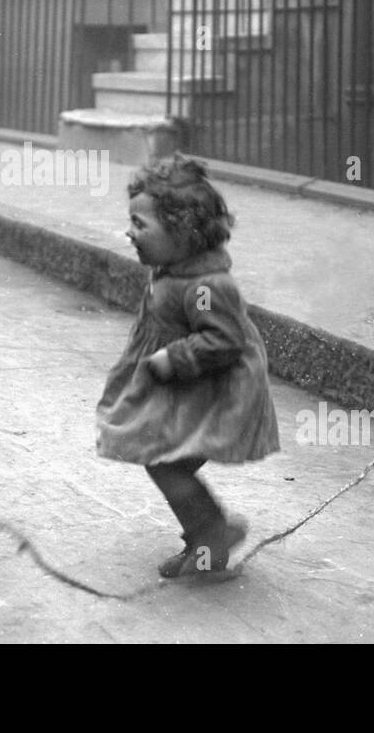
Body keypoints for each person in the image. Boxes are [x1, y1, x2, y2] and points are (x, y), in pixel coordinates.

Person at [96, 155, 279, 578]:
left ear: (183, 232)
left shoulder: (204, 286)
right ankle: (206, 545)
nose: (129, 232)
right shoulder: (176, 269)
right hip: (188, 391)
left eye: (140, 225)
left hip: (213, 393)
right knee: (166, 461)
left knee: (164, 462)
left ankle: (211, 529)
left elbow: (224, 340)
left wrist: (172, 357)